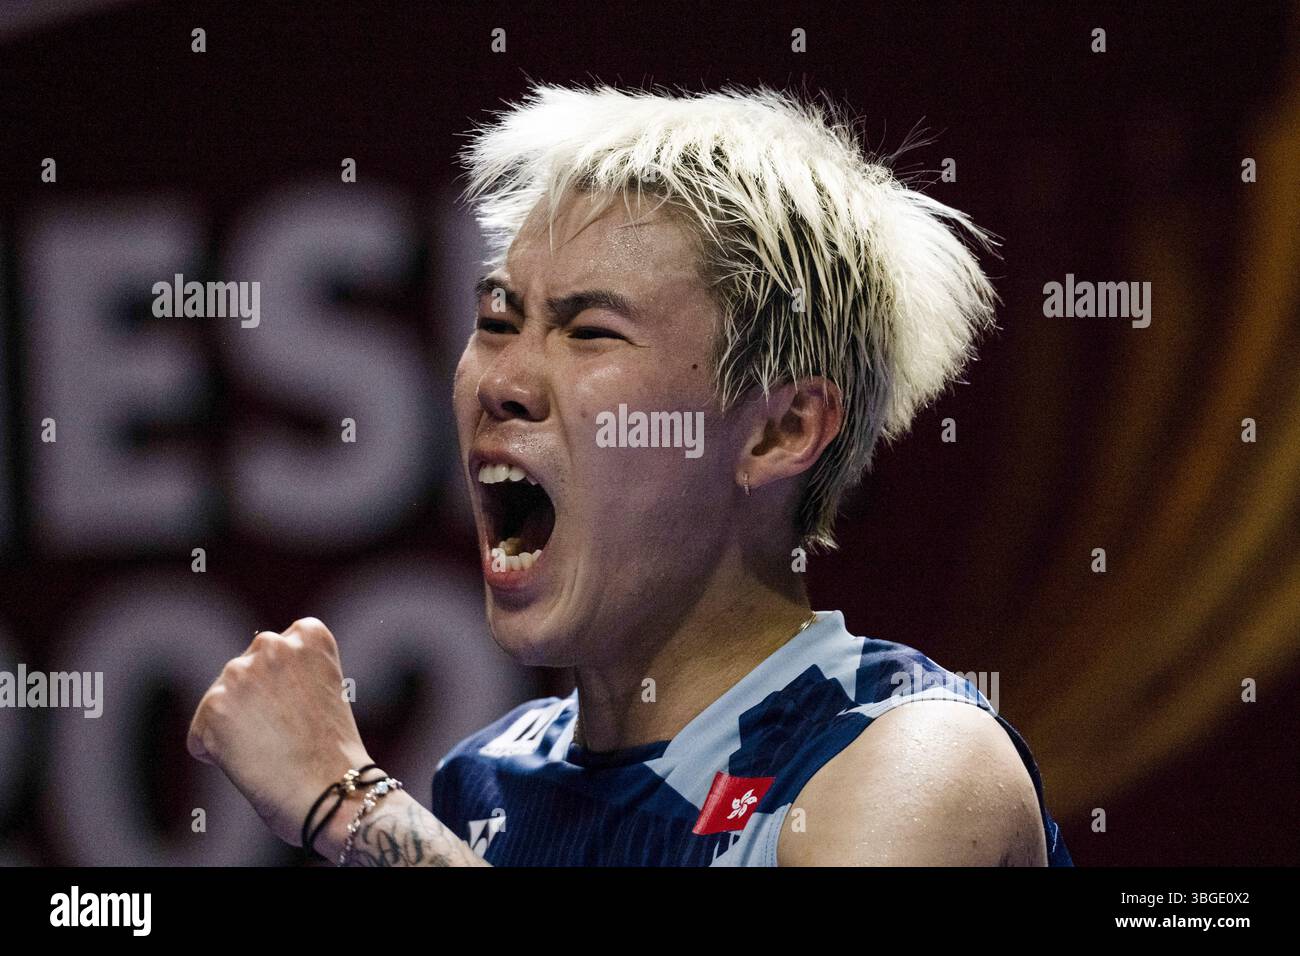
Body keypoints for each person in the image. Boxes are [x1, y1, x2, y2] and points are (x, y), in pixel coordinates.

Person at [187, 82, 1072, 866]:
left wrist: (356, 810)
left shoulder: (906, 757)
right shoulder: (483, 788)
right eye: (499, 319)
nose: (502, 381)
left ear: (781, 429)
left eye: (589, 332)